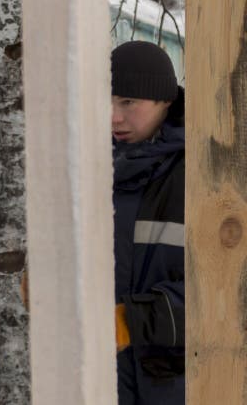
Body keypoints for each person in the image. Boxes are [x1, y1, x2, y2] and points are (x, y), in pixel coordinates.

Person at [111, 40, 185, 404]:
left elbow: (227, 290)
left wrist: (134, 320)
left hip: (177, 384)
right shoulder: (93, 166)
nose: (114, 116)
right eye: (107, 101)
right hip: (106, 382)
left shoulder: (206, 172)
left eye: (127, 102)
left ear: (165, 100)